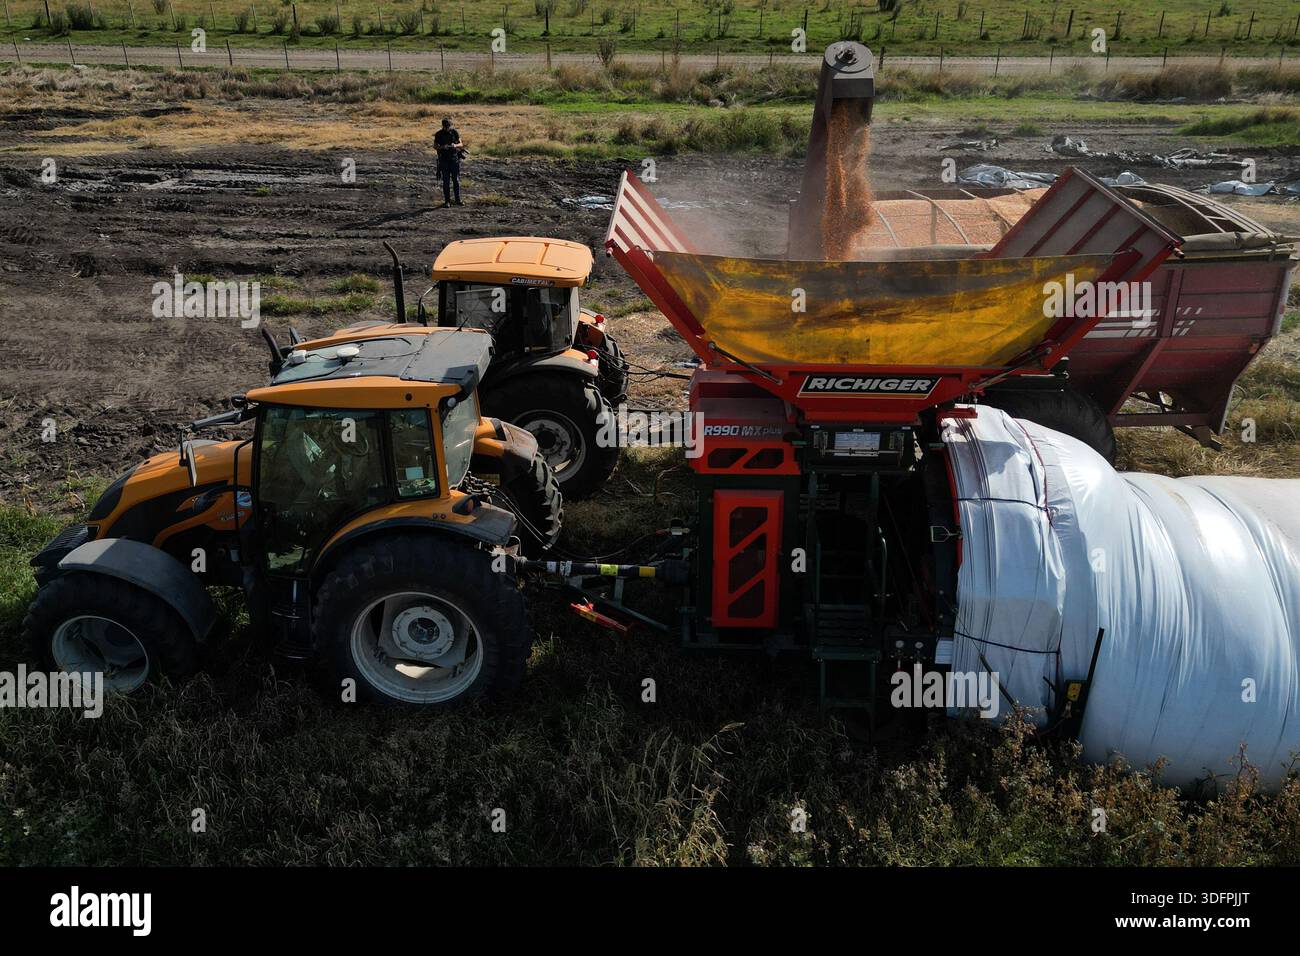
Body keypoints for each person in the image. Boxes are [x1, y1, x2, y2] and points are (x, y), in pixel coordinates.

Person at [434, 117, 465, 208]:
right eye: (445, 126)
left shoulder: (454, 132)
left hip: (454, 159)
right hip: (443, 160)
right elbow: (435, 146)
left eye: (448, 126)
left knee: (456, 180)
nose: (447, 128)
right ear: (442, 126)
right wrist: (442, 147)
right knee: (446, 181)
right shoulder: (438, 134)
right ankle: (447, 201)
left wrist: (455, 145)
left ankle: (458, 200)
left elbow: (461, 144)